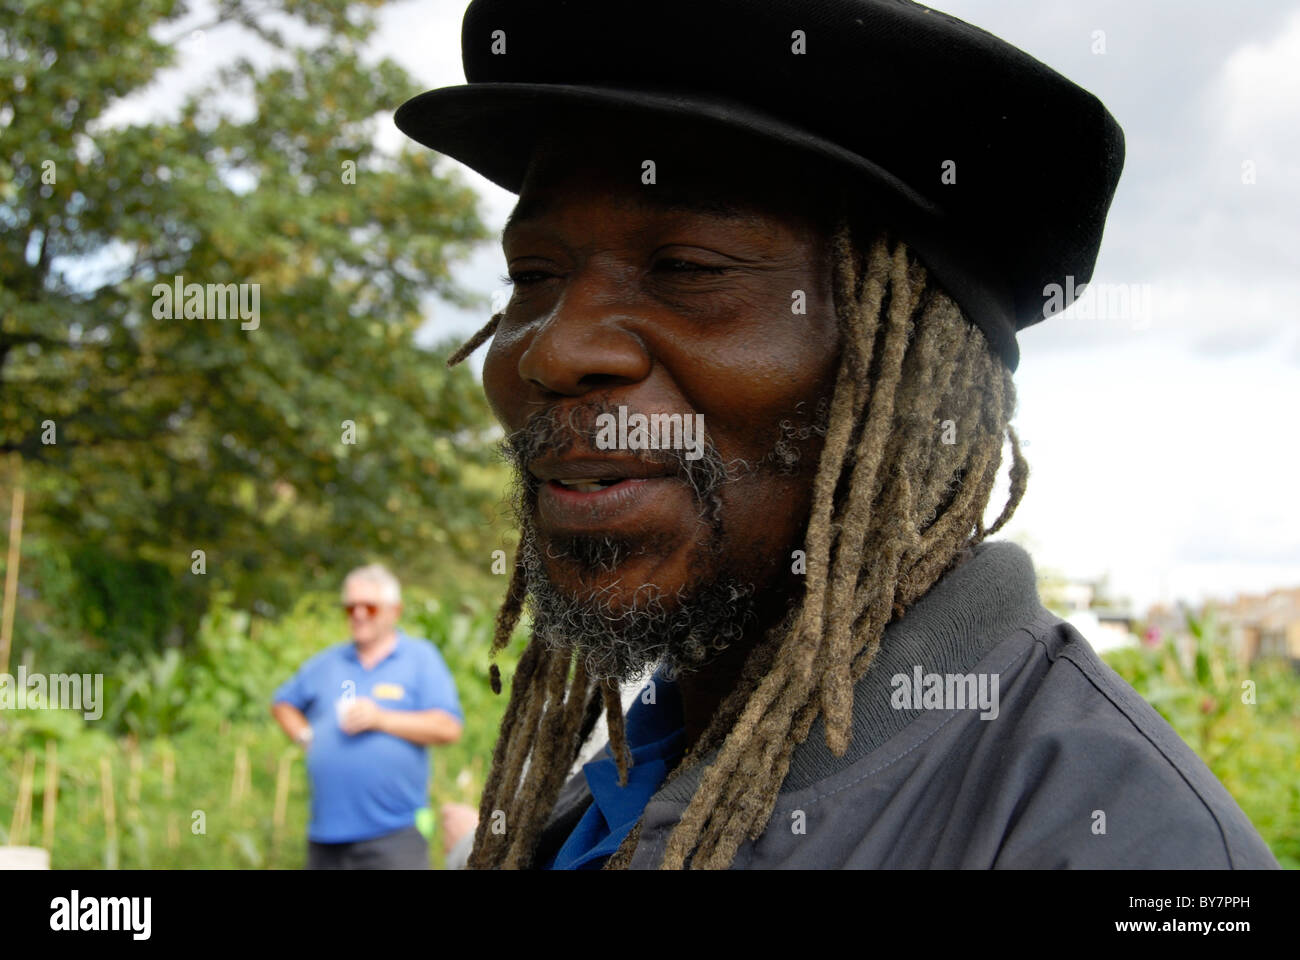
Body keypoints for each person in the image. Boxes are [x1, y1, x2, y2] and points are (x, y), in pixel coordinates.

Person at [392, 0, 1280, 869]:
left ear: (909, 369)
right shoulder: (613, 790)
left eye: (687, 268)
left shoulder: (1119, 837)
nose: (555, 348)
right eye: (533, 274)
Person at [271, 564, 464, 869]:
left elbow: (448, 727)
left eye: (369, 607)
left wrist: (381, 719)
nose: (359, 614)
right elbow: (282, 703)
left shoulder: (420, 658)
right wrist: (305, 737)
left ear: (394, 611)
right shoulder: (327, 662)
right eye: (351, 607)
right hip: (325, 835)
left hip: (394, 834)